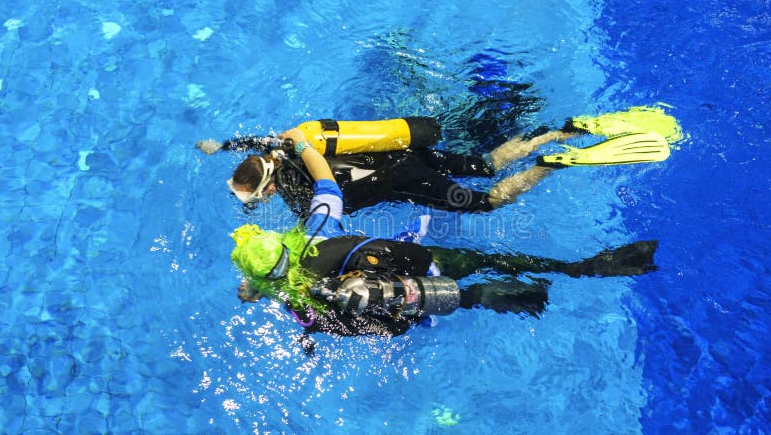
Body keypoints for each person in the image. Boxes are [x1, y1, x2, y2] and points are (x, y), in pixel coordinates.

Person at [228, 128, 659, 351]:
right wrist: (302, 145)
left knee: (468, 289)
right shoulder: (318, 226)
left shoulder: (290, 295)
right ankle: (553, 172)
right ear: (279, 241)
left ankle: (512, 294)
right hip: (416, 246)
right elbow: (323, 176)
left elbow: (273, 287)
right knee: (487, 198)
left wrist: (253, 289)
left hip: (408, 294)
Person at [198, 106, 681, 216]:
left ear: (269, 190)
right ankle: (561, 130)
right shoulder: (283, 145)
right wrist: (222, 145)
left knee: (489, 202)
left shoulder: (304, 205)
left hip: (412, 183)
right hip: (406, 151)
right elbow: (253, 142)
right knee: (487, 163)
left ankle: (551, 163)